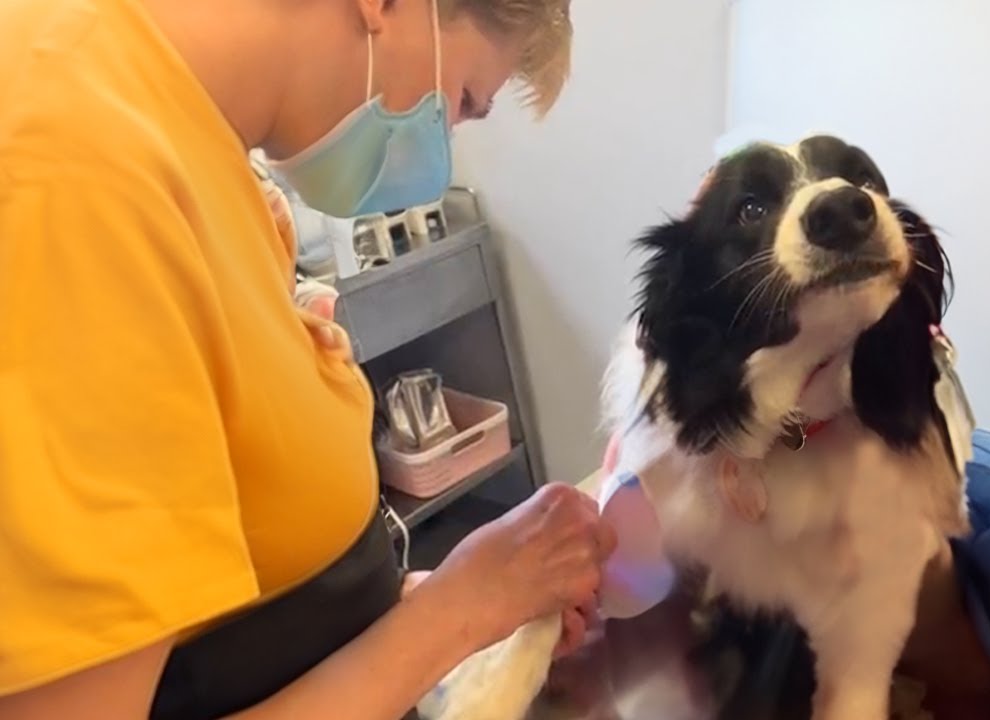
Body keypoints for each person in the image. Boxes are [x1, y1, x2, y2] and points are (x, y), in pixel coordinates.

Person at [0, 0, 617, 719]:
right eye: (460, 101)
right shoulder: (70, 169)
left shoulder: (198, 136)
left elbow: (243, 575)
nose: (441, 141)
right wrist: (461, 609)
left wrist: (448, 611)